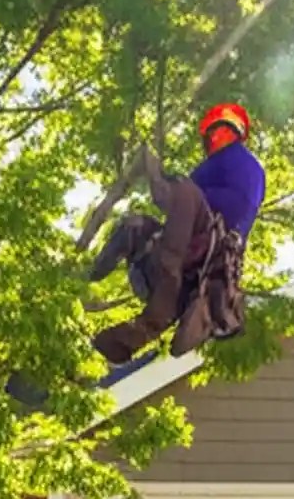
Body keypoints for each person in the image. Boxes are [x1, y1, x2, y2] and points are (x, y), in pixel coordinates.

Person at [88, 102, 267, 364]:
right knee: (137, 225)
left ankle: (123, 340)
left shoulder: (243, 163)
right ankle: (90, 273)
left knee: (184, 191)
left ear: (235, 133)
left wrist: (170, 184)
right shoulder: (203, 173)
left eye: (222, 132)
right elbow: (171, 202)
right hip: (179, 252)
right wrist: (154, 174)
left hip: (209, 252)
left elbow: (238, 204)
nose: (216, 138)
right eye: (213, 133)